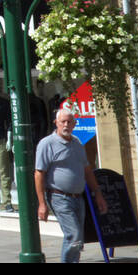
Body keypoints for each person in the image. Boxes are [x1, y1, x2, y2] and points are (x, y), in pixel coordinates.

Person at [36, 106, 108, 264]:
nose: (66, 125)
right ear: (56, 123)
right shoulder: (47, 144)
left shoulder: (77, 143)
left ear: (75, 124)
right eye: (63, 122)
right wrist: (42, 204)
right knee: (74, 236)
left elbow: (87, 171)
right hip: (58, 196)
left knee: (78, 238)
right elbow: (39, 174)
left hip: (78, 197)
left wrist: (98, 194)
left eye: (69, 122)